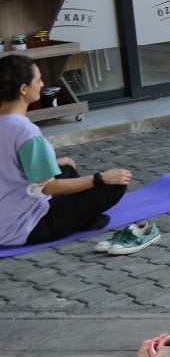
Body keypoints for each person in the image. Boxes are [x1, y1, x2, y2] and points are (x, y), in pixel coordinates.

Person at [0, 55, 132, 247]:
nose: (42, 84)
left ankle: (84, 219)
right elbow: (47, 187)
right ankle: (83, 220)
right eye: (38, 80)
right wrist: (101, 178)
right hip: (27, 228)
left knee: (67, 169)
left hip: (6, 217)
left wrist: (53, 163)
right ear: (23, 89)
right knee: (116, 184)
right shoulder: (25, 131)